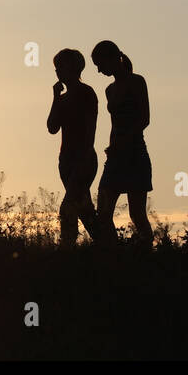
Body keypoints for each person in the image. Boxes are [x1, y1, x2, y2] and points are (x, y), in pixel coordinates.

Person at [92, 40, 153, 245]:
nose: (99, 70)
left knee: (137, 214)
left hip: (136, 154)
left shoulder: (137, 81)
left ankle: (147, 256)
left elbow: (144, 119)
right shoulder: (109, 90)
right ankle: (113, 255)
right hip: (115, 157)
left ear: (112, 58)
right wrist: (113, 146)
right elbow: (114, 124)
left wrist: (124, 142)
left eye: (100, 64)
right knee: (103, 212)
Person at [46, 49, 98, 246]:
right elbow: (52, 127)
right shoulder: (63, 98)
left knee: (68, 207)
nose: (58, 71)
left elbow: (90, 127)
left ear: (74, 67)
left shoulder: (86, 93)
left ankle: (67, 248)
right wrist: (55, 97)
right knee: (84, 208)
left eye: (61, 66)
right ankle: (109, 248)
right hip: (66, 161)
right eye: (56, 67)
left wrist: (85, 158)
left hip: (83, 158)